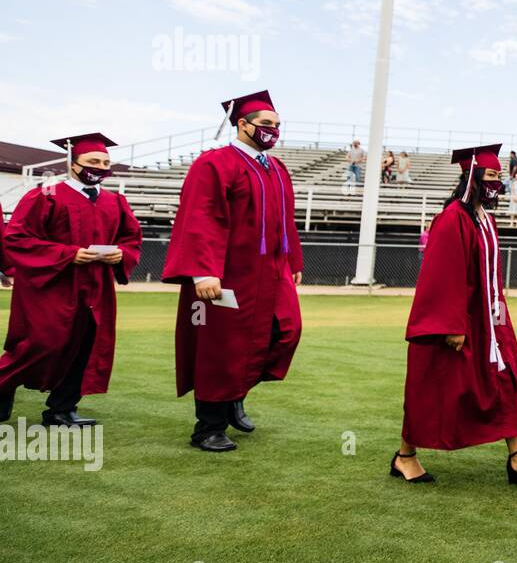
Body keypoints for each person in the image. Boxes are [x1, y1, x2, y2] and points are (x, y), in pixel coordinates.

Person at [396, 144, 517, 486]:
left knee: (504, 381)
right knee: (432, 391)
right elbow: (442, 275)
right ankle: (405, 455)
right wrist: (452, 325)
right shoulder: (453, 217)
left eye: (501, 176)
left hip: (489, 322)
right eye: (492, 176)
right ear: (472, 177)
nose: (498, 183)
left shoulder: (485, 218)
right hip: (457, 323)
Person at [162, 91, 304, 452]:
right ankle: (208, 427)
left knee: (285, 331)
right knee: (221, 348)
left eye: (277, 125)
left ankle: (235, 393)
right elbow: (200, 216)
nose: (273, 130)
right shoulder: (214, 163)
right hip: (227, 274)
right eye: (266, 124)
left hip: (272, 272)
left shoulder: (276, 168)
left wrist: (294, 262)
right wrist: (201, 271)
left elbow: (287, 221)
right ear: (242, 124)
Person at [0, 134, 142, 426]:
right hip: (51, 288)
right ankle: (3, 386)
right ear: (73, 163)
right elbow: (16, 238)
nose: (100, 167)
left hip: (96, 287)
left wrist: (121, 254)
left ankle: (62, 409)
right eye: (92, 162)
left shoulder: (114, 201)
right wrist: (67, 254)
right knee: (39, 344)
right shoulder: (46, 193)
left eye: (105, 162)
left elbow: (131, 239)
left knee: (87, 345)